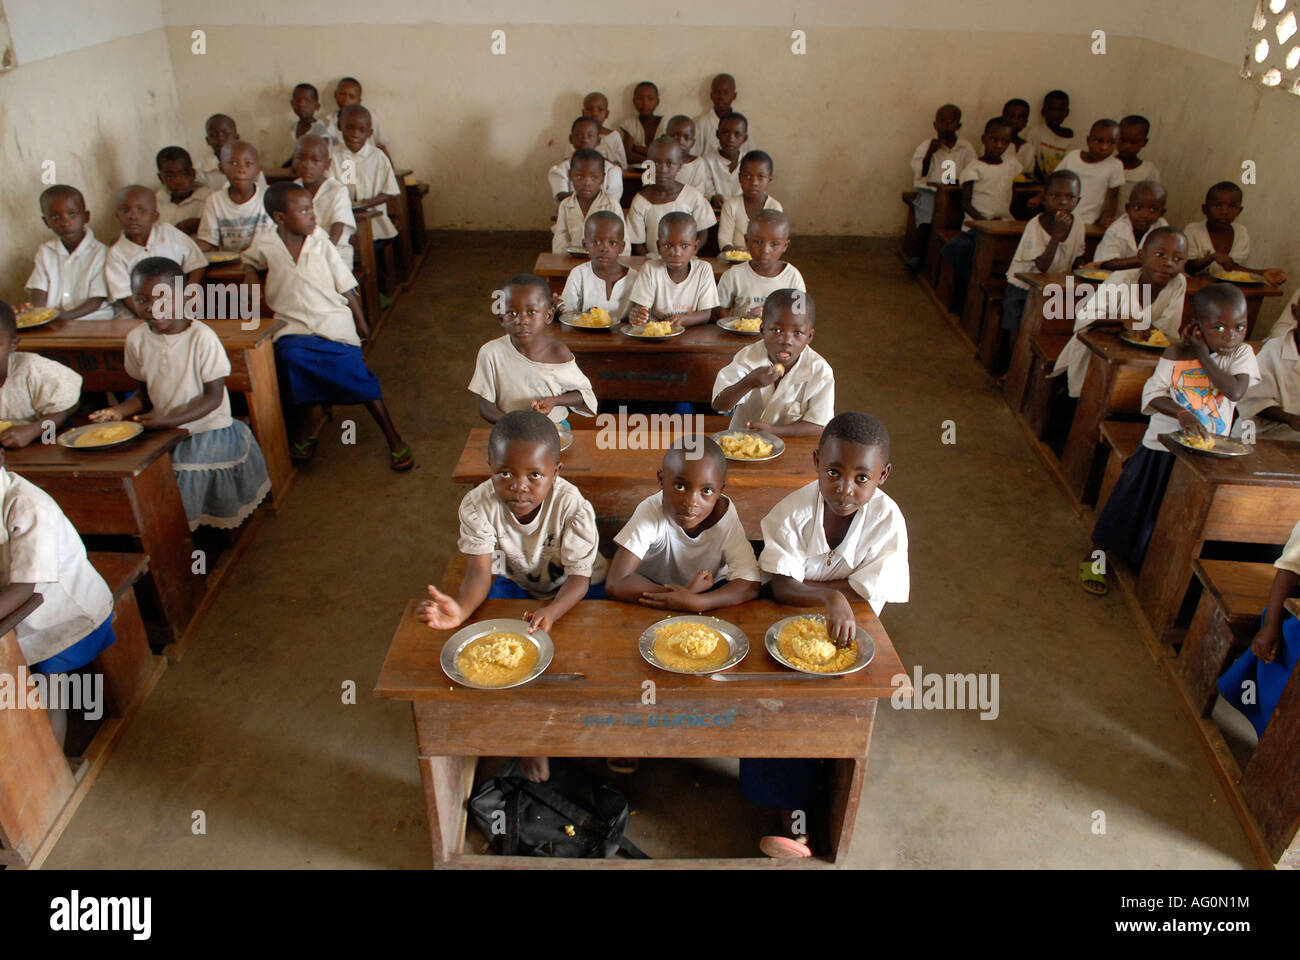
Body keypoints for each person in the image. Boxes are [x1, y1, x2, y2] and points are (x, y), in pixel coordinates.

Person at [750, 411, 909, 857]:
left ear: (884, 476)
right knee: (779, 704)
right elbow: (780, 586)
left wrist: (824, 595)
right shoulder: (793, 511)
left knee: (837, 714)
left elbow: (868, 597)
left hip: (850, 636)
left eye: (862, 478)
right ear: (817, 462)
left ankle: (817, 808)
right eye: (834, 472)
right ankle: (789, 814)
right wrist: (831, 598)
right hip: (783, 624)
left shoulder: (887, 521)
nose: (845, 489)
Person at [417, 409, 607, 782]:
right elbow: (479, 573)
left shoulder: (572, 507)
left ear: (556, 471)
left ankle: (595, 732)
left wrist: (552, 611)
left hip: (574, 589)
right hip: (514, 583)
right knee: (507, 657)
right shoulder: (477, 504)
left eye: (535, 475)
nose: (519, 486)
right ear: (489, 466)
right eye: (505, 473)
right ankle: (529, 741)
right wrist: (460, 609)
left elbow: (579, 580)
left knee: (589, 659)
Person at [1088, 283, 1259, 576]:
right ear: (1196, 327)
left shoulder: (1241, 354)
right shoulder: (1176, 353)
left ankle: (1147, 567)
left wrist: (1203, 354)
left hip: (1207, 454)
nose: (1231, 336)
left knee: (1173, 514)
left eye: (1240, 326)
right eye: (1218, 327)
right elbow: (1152, 395)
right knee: (1133, 505)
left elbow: (1234, 391)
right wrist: (1181, 413)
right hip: (1161, 446)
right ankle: (1097, 559)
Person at [89, 257, 271, 530]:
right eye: (141, 300)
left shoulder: (202, 338)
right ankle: (175, 536)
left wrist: (169, 422)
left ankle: (206, 531)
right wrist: (119, 411)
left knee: (183, 472)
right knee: (141, 473)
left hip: (206, 428)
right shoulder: (137, 340)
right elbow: (143, 394)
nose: (153, 308)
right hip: (165, 427)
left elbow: (214, 399)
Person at [241, 182, 413, 470]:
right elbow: (248, 261)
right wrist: (253, 285)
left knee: (355, 373)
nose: (313, 216)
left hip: (333, 321)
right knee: (291, 361)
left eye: (312, 209)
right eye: (304, 211)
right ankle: (306, 432)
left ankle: (393, 437)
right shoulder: (266, 243)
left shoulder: (320, 240)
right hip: (292, 324)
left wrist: (362, 325)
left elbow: (346, 286)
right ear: (280, 217)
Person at [0, 447, 116, 747]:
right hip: (17, 609)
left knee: (50, 695)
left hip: (62, 615)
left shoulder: (27, 505)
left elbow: (25, 588)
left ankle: (54, 768)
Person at [605, 439, 761, 611]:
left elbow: (750, 582)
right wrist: (682, 595)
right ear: (661, 480)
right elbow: (617, 582)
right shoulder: (651, 511)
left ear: (721, 490)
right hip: (650, 587)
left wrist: (698, 602)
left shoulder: (725, 518)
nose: (691, 502)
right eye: (680, 486)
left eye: (706, 491)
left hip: (708, 591)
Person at [1052, 226, 1189, 397]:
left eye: (1178, 259)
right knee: (1090, 392)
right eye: (1160, 255)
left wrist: (1124, 326)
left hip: (1140, 356)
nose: (1168, 263)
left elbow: (1165, 330)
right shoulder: (1120, 278)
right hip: (1095, 352)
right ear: (1141, 255)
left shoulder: (1178, 283)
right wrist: (1124, 320)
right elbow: (1087, 318)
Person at [470, 273, 597, 425]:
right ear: (501, 318)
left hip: (554, 428)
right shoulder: (491, 353)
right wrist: (515, 424)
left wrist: (554, 401)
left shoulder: (558, 352)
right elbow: (485, 407)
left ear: (548, 316)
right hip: (510, 428)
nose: (522, 320)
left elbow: (584, 394)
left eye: (531, 312)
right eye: (512, 313)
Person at [712, 288, 831, 437]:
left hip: (793, 446)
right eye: (776, 330)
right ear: (762, 330)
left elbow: (818, 424)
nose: (786, 341)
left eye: (798, 333)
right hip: (742, 443)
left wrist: (774, 432)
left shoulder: (819, 370)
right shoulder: (748, 357)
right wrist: (748, 383)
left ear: (810, 336)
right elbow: (719, 405)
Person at [940, 118, 1019, 296]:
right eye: (994, 139)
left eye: (1005, 141)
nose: (999, 145)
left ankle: (1001, 288)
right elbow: (965, 203)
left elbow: (1008, 193)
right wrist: (984, 221)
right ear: (983, 139)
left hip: (1004, 224)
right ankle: (969, 287)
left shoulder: (1010, 166)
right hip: (976, 226)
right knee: (959, 249)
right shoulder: (974, 168)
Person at [1002, 170, 1083, 336]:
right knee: (1019, 332)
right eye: (1056, 196)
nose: (1063, 202)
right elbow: (1042, 266)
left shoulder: (1079, 224)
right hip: (1024, 288)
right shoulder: (1035, 225)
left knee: (1054, 330)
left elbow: (1077, 257)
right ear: (1044, 198)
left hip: (1055, 287)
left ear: (1078, 201)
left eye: (1070, 197)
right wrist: (1056, 237)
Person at [105, 186, 206, 306]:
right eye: (125, 210)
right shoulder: (116, 253)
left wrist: (187, 296)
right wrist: (154, 314)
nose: (132, 216)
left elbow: (197, 263)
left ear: (155, 216)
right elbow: (124, 295)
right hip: (139, 313)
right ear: (117, 216)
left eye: (141, 210)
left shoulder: (168, 233)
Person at [24, 185, 113, 321]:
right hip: (52, 321)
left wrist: (64, 316)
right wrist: (39, 314)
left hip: (92, 319)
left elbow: (97, 298)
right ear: (46, 222)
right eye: (55, 217)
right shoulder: (45, 251)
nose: (65, 222)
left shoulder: (101, 253)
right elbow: (38, 289)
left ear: (86, 216)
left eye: (72, 214)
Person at [0, 301, 82, 448]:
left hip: (44, 443)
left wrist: (32, 431)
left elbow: (60, 415)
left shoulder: (33, 371)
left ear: (13, 344)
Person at [907, 104, 976, 269]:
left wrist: (955, 184)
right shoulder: (926, 146)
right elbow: (920, 173)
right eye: (941, 122)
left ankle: (952, 257)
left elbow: (972, 171)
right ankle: (918, 255)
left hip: (956, 192)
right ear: (935, 125)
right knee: (926, 219)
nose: (946, 126)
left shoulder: (966, 148)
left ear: (958, 126)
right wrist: (931, 152)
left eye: (951, 122)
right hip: (930, 192)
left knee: (961, 216)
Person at [626, 138, 716, 258]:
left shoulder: (692, 196)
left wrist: (690, 253)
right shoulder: (640, 201)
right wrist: (651, 261)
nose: (662, 169)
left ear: (679, 166)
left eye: (669, 163)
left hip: (686, 261)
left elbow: (703, 231)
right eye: (656, 163)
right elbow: (637, 243)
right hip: (654, 263)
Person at [1184, 181, 1287, 284]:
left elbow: (1232, 267)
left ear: (1239, 211)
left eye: (1232, 207)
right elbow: (1188, 267)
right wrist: (1212, 257)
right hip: (1194, 288)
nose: (1224, 212)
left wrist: (1262, 273)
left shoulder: (1241, 232)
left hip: (1228, 290)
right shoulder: (1193, 230)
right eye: (1218, 206)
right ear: (1205, 209)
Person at [627, 213, 719, 328]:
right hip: (656, 336)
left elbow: (706, 315)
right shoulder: (650, 269)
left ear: (695, 247)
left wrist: (684, 319)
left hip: (691, 335)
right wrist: (637, 315)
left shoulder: (703, 270)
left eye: (684, 246)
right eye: (668, 245)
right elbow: (641, 309)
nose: (676, 253)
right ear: (659, 246)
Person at [328, 105, 401, 247]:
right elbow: (329, 187)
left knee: (365, 246)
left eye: (362, 130)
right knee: (337, 245)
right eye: (350, 127)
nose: (355, 134)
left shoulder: (378, 157)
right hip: (340, 218)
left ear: (370, 133)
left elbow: (390, 191)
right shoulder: (333, 156)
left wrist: (366, 204)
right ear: (340, 127)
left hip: (373, 221)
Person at [714, 211, 805, 318]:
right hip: (740, 334)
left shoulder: (792, 277)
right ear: (747, 241)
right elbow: (720, 310)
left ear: (785, 245)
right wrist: (739, 322)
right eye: (758, 242)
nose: (765, 250)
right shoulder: (733, 275)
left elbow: (800, 316)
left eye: (774, 244)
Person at [195, 141, 272, 253]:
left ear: (258, 169)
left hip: (263, 262)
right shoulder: (215, 200)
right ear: (222, 168)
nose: (241, 169)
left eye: (248, 164)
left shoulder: (269, 196)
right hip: (229, 264)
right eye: (234, 163)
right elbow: (208, 240)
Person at [292, 134, 356, 266]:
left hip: (334, 252)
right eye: (300, 159)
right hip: (302, 252)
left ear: (328, 164)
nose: (307, 165)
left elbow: (337, 230)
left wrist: (319, 256)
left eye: (315, 160)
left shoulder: (338, 191)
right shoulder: (292, 189)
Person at [558, 211, 634, 320]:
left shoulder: (635, 278)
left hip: (622, 336)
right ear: (585, 245)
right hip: (586, 335)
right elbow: (567, 314)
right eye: (597, 242)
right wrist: (582, 316)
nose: (604, 248)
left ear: (622, 247)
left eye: (612, 243)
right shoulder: (579, 275)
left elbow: (642, 316)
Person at [551, 148, 627, 254]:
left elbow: (625, 247)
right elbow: (559, 244)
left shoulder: (612, 206)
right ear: (570, 176)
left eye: (593, 178)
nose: (587, 183)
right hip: (570, 263)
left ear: (602, 178)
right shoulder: (565, 205)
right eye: (580, 176)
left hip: (604, 263)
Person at [1057, 118, 1124, 226]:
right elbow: (1055, 181)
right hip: (1061, 215)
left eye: (1111, 142)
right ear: (1088, 140)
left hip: (1088, 221)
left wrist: (1107, 217)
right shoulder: (1073, 156)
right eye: (1099, 141)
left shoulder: (1115, 165)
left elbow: (1113, 197)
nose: (1104, 147)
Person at [1090, 180, 1168, 270]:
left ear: (1162, 213)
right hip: (1115, 280)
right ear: (1127, 208)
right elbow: (1105, 264)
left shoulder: (1163, 229)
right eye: (1137, 207)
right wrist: (1138, 260)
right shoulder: (1117, 229)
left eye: (1153, 209)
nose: (1144, 215)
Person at [548, 117, 623, 204]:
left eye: (590, 136)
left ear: (598, 140)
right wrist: (594, 198)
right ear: (570, 139)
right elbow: (561, 197)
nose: (584, 140)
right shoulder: (561, 170)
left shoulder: (611, 170)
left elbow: (612, 203)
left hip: (602, 216)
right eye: (579, 135)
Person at [717, 150, 782, 252]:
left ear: (769, 179)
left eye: (760, 177)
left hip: (763, 260)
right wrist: (733, 253)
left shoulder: (774, 207)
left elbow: (775, 242)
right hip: (732, 261)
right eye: (747, 176)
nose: (754, 183)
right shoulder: (731, 205)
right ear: (739, 178)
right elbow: (724, 238)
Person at [196, 114, 267, 192]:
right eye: (214, 134)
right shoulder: (200, 168)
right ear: (207, 140)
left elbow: (261, 191)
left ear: (237, 138)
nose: (220, 138)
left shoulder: (250, 164)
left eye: (226, 134)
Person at [154, 146, 212, 236]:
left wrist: (199, 223)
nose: (178, 181)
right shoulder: (155, 203)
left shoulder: (209, 199)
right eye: (170, 176)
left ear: (193, 174)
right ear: (161, 178)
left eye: (184, 174)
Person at [323, 77, 390, 153]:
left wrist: (389, 164)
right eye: (342, 94)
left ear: (359, 100)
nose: (345, 100)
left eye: (351, 97)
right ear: (335, 95)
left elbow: (381, 146)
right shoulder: (327, 122)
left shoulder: (370, 119)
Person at [695, 73, 755, 158]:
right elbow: (694, 156)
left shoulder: (743, 124)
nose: (721, 97)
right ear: (711, 95)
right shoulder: (702, 124)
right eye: (717, 92)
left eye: (726, 93)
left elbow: (751, 155)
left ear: (734, 96)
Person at [1027, 90, 1076, 181]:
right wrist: (1043, 179)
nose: (1056, 114)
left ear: (1067, 112)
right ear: (1043, 111)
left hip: (1058, 183)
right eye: (1052, 109)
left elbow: (1067, 166)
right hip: (1036, 182)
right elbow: (1030, 159)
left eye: (1060, 110)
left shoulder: (1069, 139)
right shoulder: (1036, 133)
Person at [702, 114, 751, 204]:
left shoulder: (750, 162)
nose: (731, 139)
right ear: (717, 135)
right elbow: (706, 190)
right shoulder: (707, 161)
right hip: (715, 213)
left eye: (737, 134)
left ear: (745, 138)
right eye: (726, 133)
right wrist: (713, 197)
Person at [1115, 114, 1161, 209]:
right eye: (1123, 140)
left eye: (1134, 142)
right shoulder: (1106, 164)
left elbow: (1154, 201)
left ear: (1144, 142)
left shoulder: (1149, 171)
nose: (1127, 146)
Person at [282, 82, 329, 166]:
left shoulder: (320, 131)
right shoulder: (294, 127)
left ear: (317, 106)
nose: (301, 104)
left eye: (307, 101)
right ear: (292, 104)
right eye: (298, 100)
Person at [665, 115, 713, 196]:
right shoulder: (656, 160)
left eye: (686, 138)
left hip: (688, 206)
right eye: (675, 136)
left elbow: (698, 194)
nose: (681, 141)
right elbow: (647, 186)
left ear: (693, 143)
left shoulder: (698, 163)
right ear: (665, 137)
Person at [619, 81, 664, 165]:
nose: (645, 103)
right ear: (634, 101)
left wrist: (637, 149)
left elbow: (664, 155)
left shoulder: (666, 124)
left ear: (657, 102)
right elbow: (628, 156)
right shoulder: (629, 124)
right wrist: (654, 160)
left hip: (660, 174)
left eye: (650, 98)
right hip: (635, 174)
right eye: (640, 98)